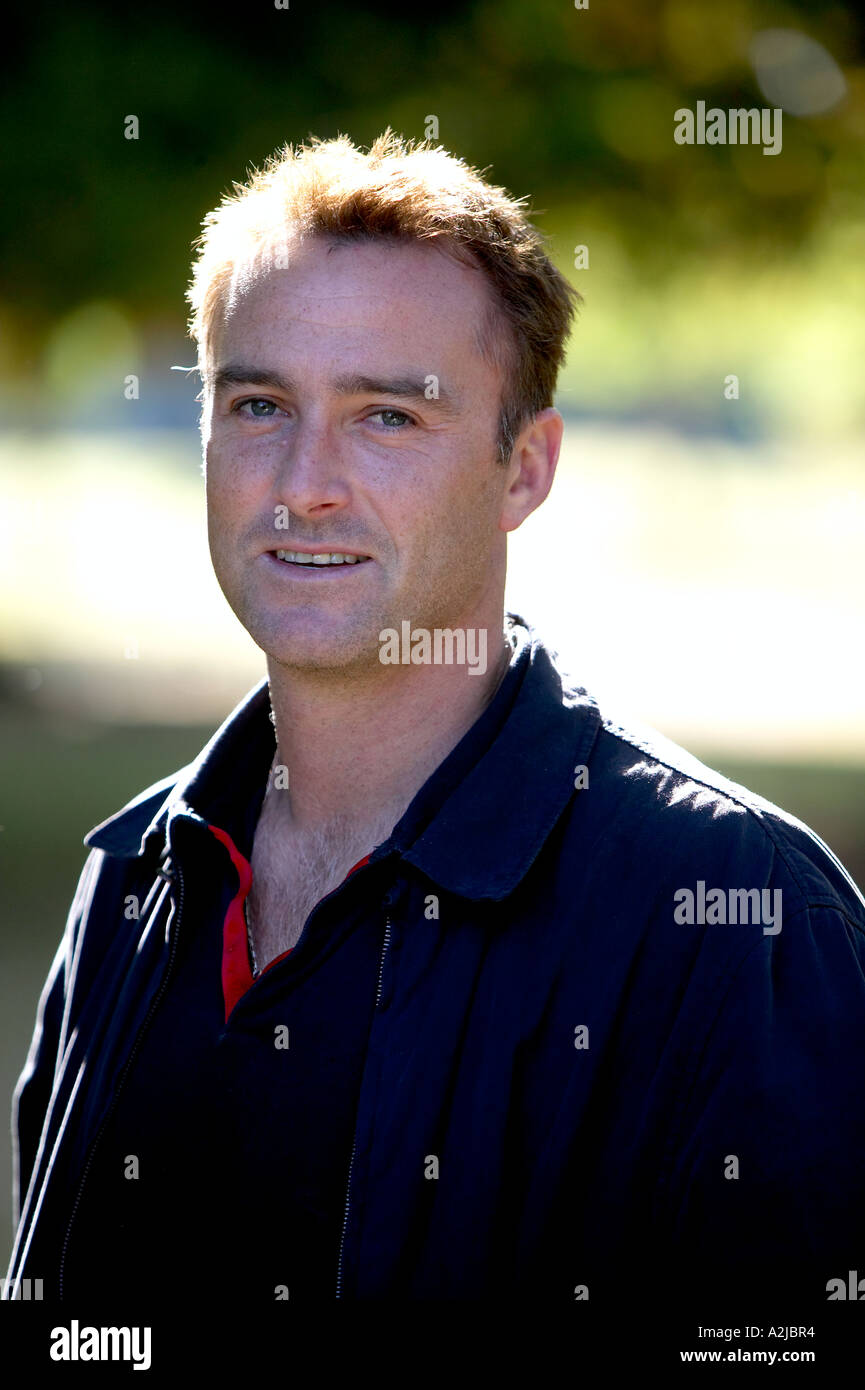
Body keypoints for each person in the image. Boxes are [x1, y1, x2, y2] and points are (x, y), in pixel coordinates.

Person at [5, 130, 865, 1313]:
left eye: (386, 418)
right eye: (259, 403)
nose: (302, 482)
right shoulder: (131, 880)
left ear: (524, 469)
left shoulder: (735, 917)